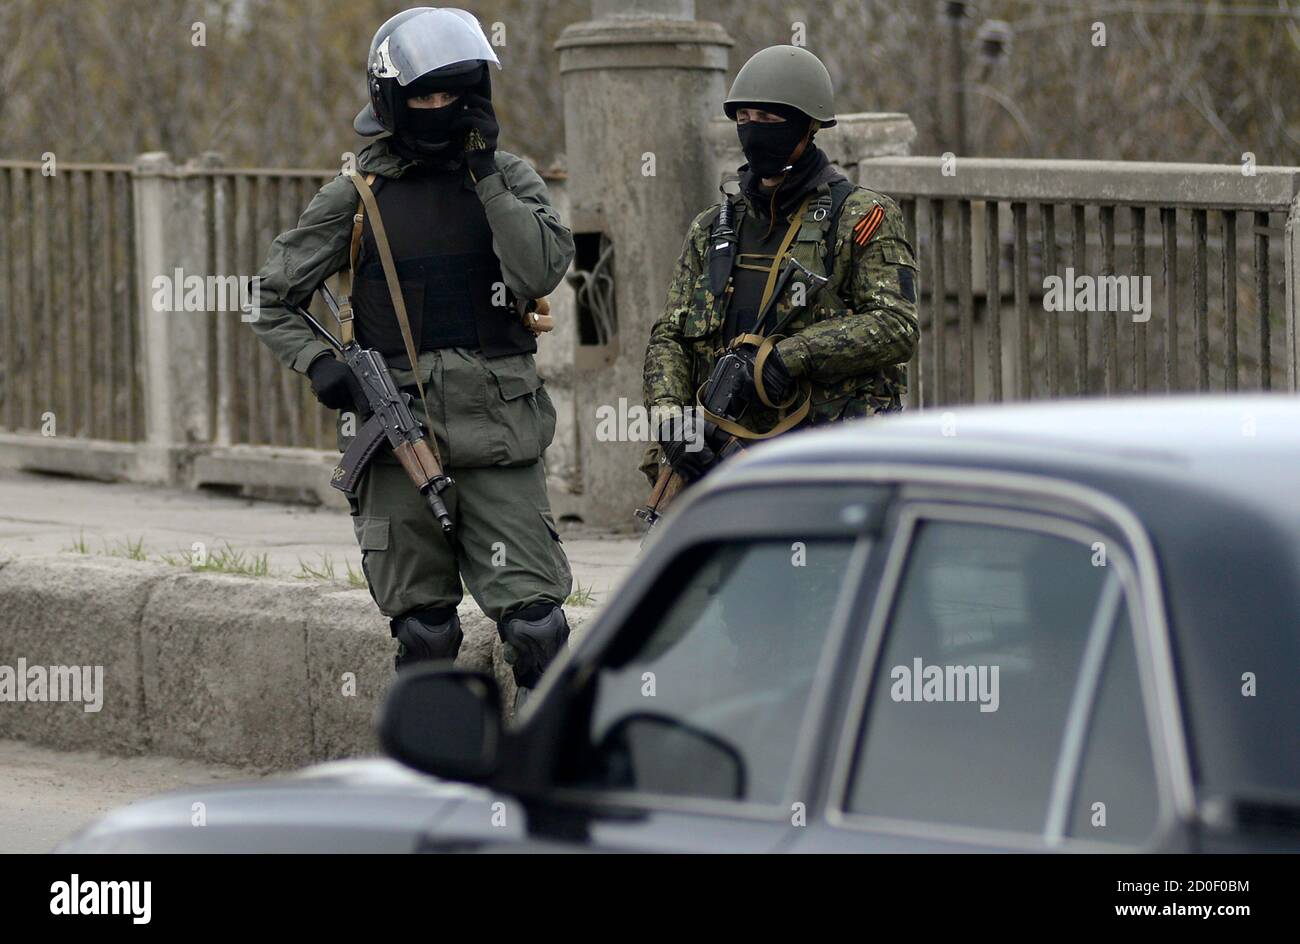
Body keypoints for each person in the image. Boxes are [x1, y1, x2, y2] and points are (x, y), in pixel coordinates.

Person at [248, 7, 575, 700]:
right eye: (424, 96)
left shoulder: (509, 179)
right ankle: (435, 785)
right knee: (425, 636)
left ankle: (542, 781)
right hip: (399, 443)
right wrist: (323, 366)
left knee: (540, 630)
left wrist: (485, 175)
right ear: (393, 101)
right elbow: (270, 299)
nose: (439, 109)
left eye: (452, 94)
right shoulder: (358, 197)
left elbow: (541, 269)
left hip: (499, 439)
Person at [642, 44, 919, 486]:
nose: (754, 131)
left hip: (826, 456)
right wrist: (672, 419)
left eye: (769, 120)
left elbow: (896, 324)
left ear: (809, 126)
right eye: (744, 119)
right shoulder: (712, 227)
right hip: (723, 452)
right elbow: (669, 336)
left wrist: (789, 357)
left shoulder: (861, 217)